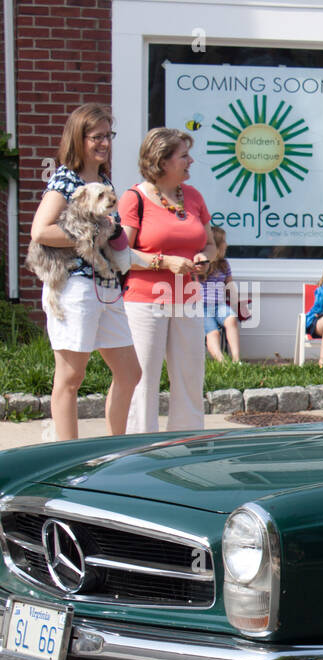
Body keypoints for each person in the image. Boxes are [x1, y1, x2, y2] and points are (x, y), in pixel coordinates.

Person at [28, 104, 140, 440]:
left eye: (109, 135)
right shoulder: (65, 179)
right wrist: (93, 232)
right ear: (79, 139)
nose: (105, 143)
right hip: (73, 288)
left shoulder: (102, 179)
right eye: (97, 137)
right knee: (70, 377)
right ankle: (67, 458)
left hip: (106, 286)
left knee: (130, 372)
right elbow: (40, 231)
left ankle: (113, 448)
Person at [118, 127, 217, 433]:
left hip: (188, 298)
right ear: (162, 161)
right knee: (143, 378)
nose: (191, 161)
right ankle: (139, 449)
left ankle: (185, 447)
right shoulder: (134, 198)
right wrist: (164, 262)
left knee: (190, 376)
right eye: (184, 156)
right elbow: (123, 253)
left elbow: (210, 244)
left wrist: (204, 258)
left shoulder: (194, 197)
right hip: (145, 300)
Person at [198, 226, 243, 363]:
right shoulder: (200, 264)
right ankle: (221, 362)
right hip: (202, 307)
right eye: (224, 241)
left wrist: (238, 304)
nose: (227, 244)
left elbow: (230, 285)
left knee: (231, 320)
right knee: (214, 333)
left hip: (219, 305)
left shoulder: (224, 264)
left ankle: (236, 360)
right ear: (217, 245)